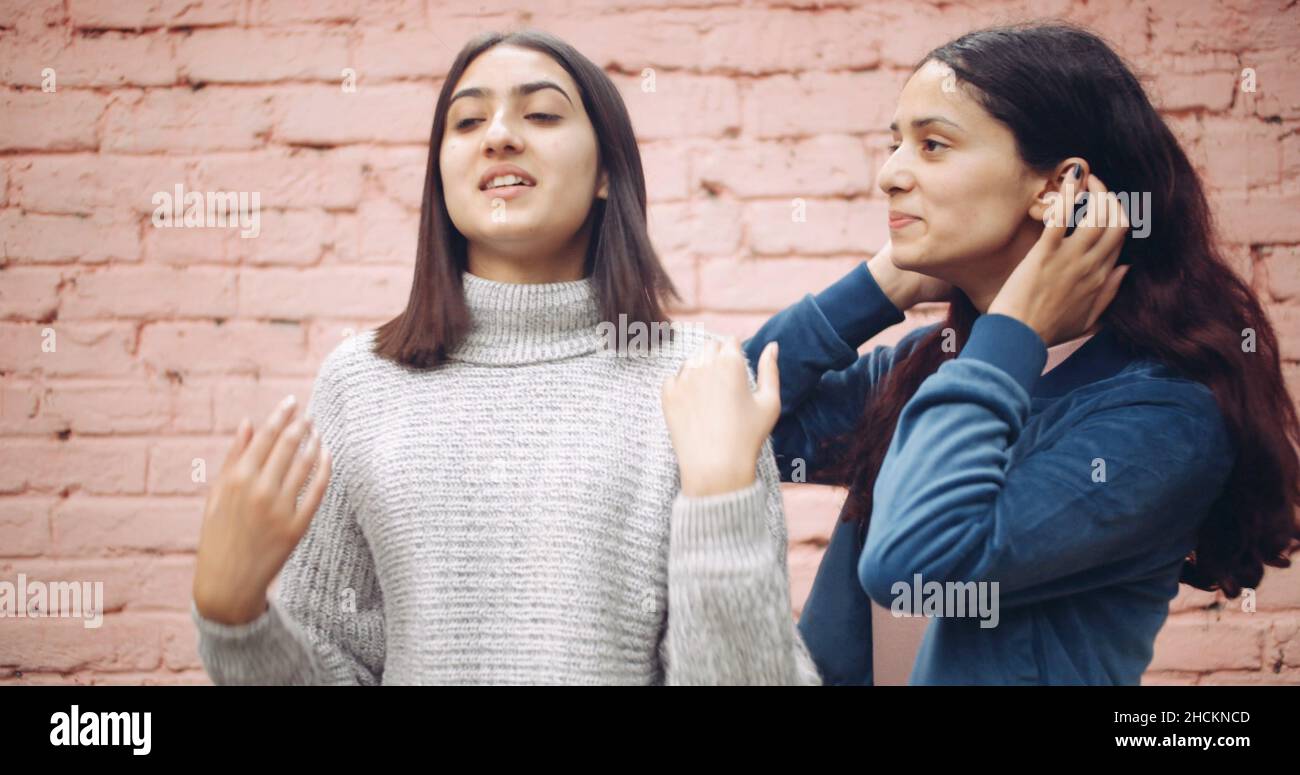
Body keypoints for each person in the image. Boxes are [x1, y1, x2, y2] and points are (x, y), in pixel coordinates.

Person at [189, 29, 819, 685]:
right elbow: (337, 665)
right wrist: (233, 616)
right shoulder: (361, 382)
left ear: (607, 171)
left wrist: (720, 506)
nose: (498, 135)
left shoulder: (698, 378)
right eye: (466, 121)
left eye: (541, 113)